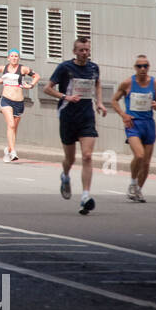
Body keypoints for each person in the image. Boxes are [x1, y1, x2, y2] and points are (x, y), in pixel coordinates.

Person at [43, 37, 105, 214]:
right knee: (69, 159)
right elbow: (47, 88)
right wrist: (65, 97)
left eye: (87, 50)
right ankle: (65, 175)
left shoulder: (94, 68)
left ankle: (85, 196)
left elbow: (98, 84)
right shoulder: (65, 68)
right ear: (75, 51)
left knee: (87, 156)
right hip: (68, 117)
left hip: (87, 118)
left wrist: (99, 102)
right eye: (81, 50)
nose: (85, 53)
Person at [111, 55, 156, 203]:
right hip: (133, 124)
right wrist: (123, 115)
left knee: (146, 162)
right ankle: (133, 183)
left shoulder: (155, 83)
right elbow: (114, 100)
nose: (143, 69)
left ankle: (138, 190)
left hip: (149, 124)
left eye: (146, 66)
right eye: (139, 66)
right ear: (135, 68)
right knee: (139, 155)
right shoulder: (128, 83)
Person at [0, 49, 38, 161]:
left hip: (19, 101)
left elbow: (36, 76)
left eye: (16, 56)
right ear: (8, 58)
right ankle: (13, 151)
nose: (14, 58)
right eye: (12, 56)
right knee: (10, 125)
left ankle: (8, 150)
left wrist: (30, 85)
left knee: (14, 128)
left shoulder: (23, 69)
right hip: (6, 100)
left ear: (18, 58)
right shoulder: (4, 68)